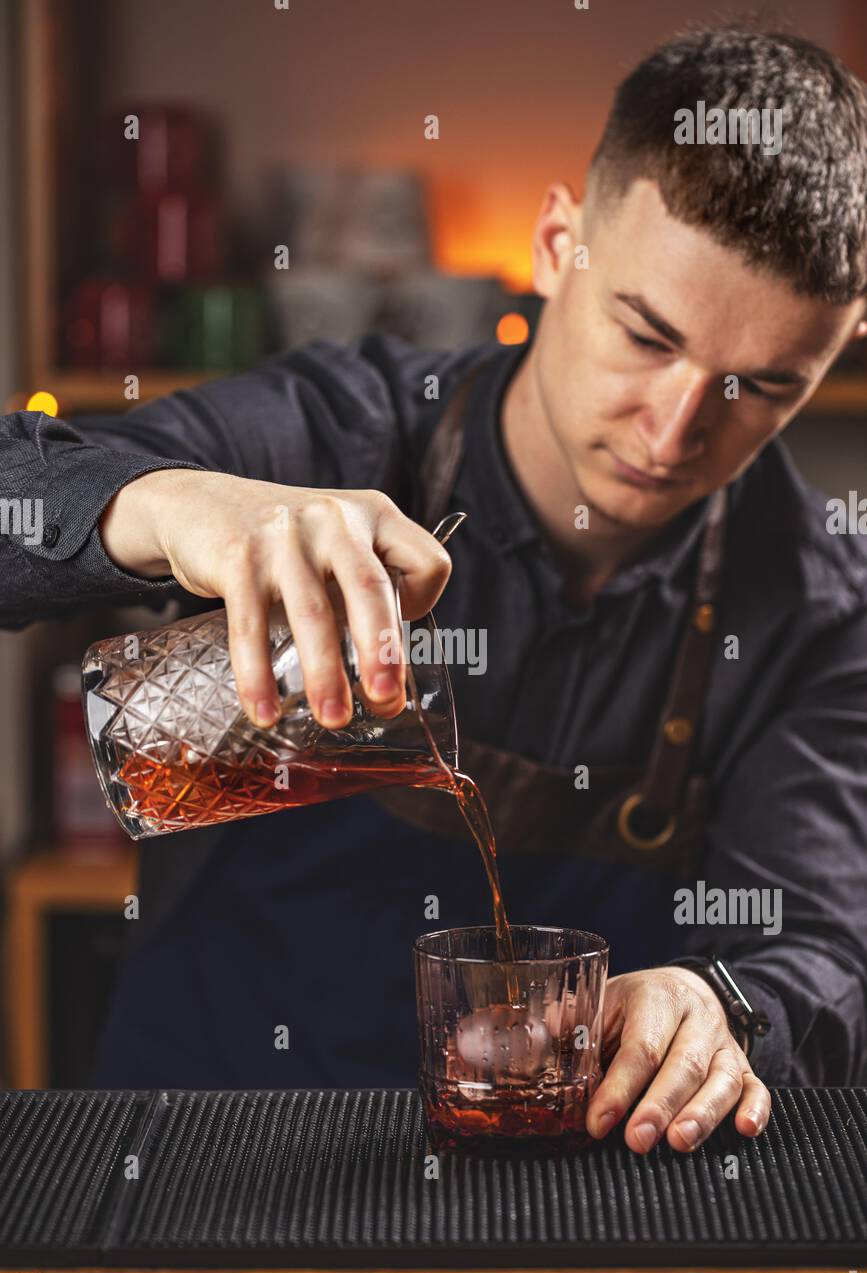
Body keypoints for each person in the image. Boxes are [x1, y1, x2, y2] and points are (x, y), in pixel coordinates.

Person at [2, 24, 867, 1157]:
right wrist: (174, 506)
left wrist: (723, 1006)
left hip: (546, 1196)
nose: (674, 431)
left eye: (761, 387)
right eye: (646, 335)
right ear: (560, 244)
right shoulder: (341, 426)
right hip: (206, 1151)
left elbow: (819, 944)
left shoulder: (811, 606)